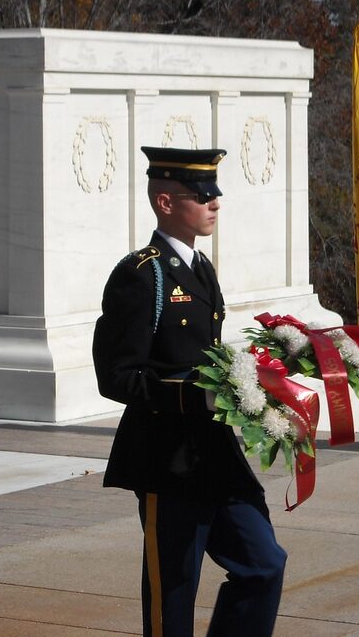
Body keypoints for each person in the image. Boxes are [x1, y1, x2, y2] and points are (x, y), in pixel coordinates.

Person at [93, 146, 286, 637]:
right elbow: (117, 376)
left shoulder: (201, 269)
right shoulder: (141, 275)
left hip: (215, 455)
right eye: (200, 195)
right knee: (171, 602)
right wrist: (190, 396)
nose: (213, 203)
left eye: (214, 193)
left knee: (263, 563)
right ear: (164, 201)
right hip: (168, 459)